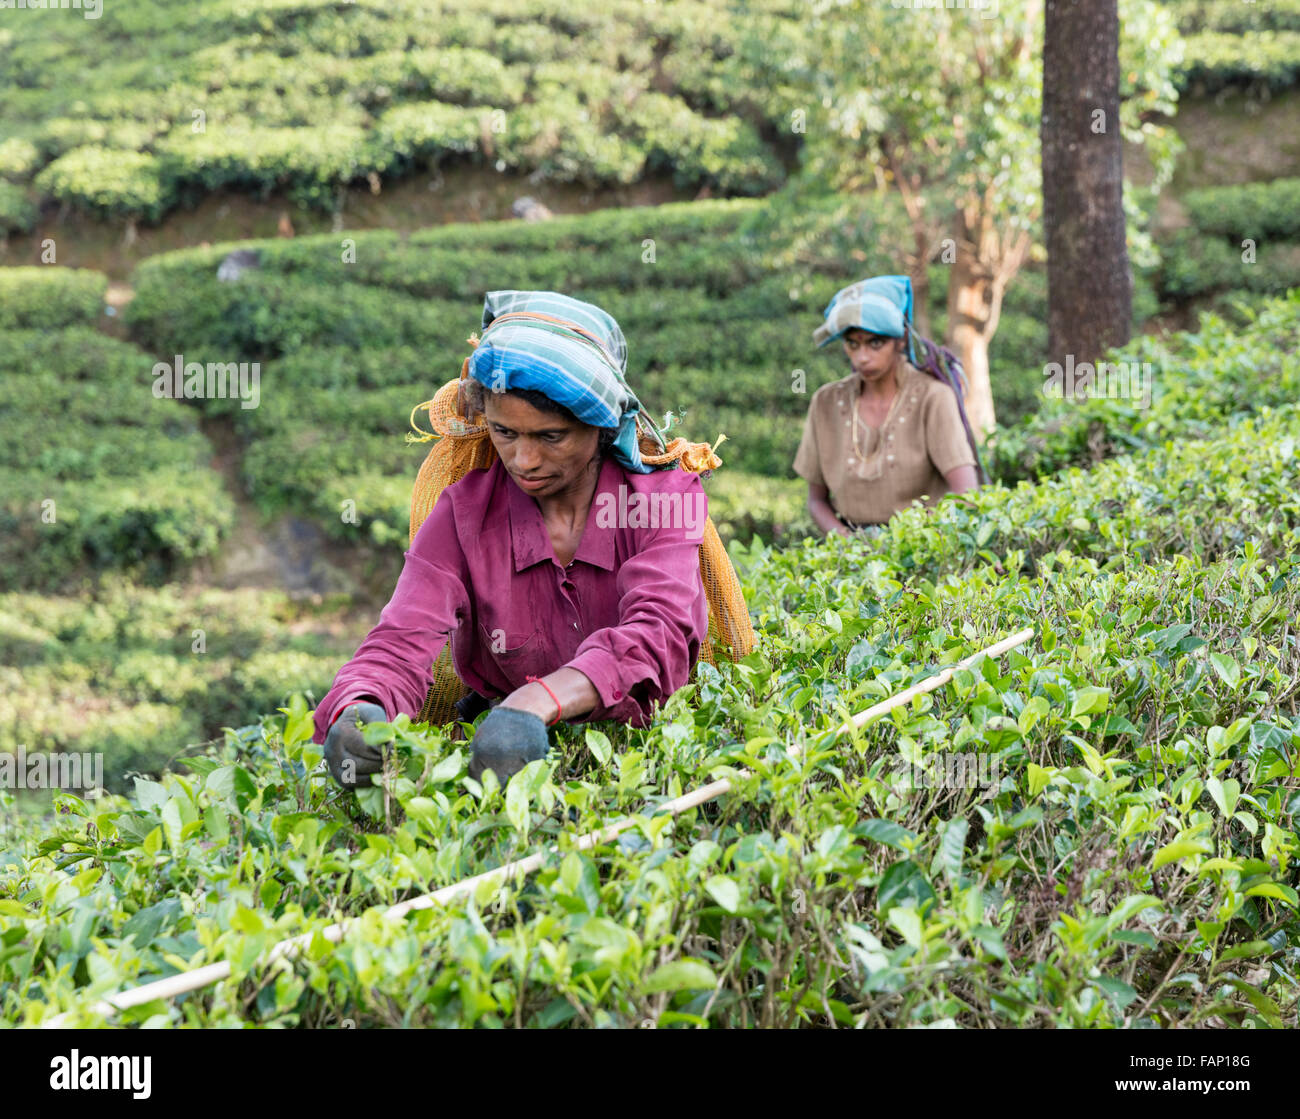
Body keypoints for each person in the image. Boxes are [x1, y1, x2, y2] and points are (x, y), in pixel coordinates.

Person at [313, 291, 710, 788]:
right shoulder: (464, 515)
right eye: (505, 433)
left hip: (650, 758)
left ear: (601, 428)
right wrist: (359, 706)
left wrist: (537, 700)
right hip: (504, 755)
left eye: (550, 437)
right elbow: (400, 639)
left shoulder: (661, 500)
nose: (523, 460)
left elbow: (659, 632)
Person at [794, 275, 979, 537]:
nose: (862, 357)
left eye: (875, 343)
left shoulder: (932, 398)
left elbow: (967, 495)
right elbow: (816, 501)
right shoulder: (826, 403)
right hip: (848, 554)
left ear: (901, 339)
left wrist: (917, 546)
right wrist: (849, 545)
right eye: (852, 344)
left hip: (922, 549)